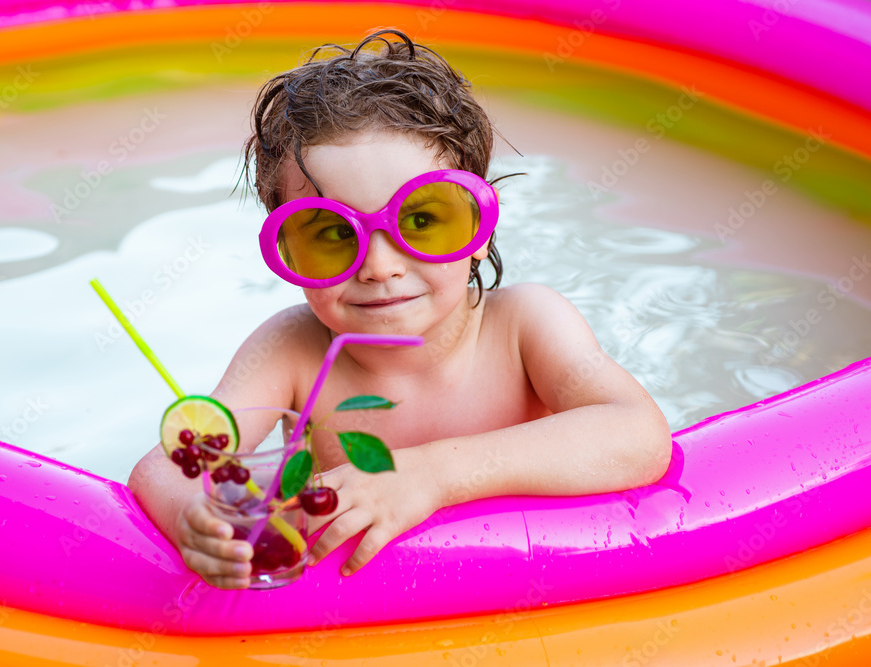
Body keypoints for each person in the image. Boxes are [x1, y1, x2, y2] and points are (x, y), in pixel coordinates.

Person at [128, 28, 671, 589]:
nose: (380, 267)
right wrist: (200, 524)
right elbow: (166, 466)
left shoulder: (525, 327)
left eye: (421, 220)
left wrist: (435, 474)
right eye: (333, 234)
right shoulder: (291, 351)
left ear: (481, 226)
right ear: (287, 249)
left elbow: (637, 435)